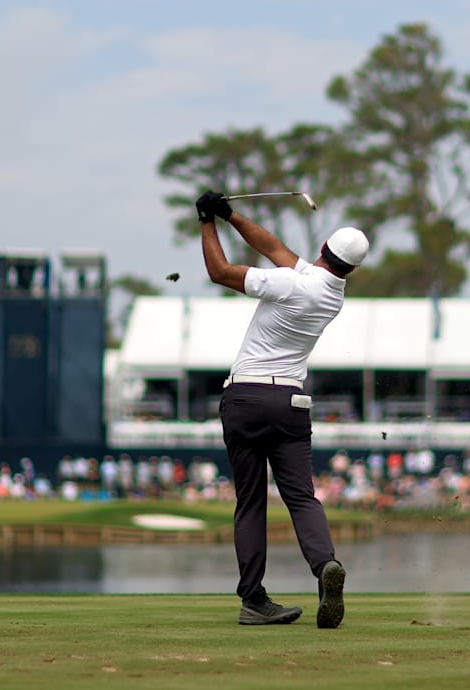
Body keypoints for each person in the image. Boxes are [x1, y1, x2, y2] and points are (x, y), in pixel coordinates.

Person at [195, 189, 368, 629]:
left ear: (324, 247)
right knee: (300, 496)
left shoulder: (292, 282)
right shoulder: (333, 292)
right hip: (291, 403)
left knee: (250, 502)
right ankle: (324, 564)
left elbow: (219, 272)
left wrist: (206, 221)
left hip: (246, 397)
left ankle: (253, 599)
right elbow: (273, 247)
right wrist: (231, 214)